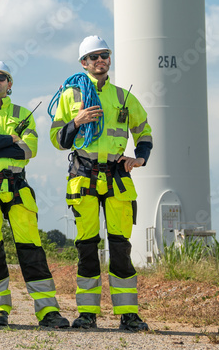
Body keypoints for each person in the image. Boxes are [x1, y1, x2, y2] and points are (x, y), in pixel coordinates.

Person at [49, 36, 152, 332]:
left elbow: (144, 131)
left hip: (117, 177)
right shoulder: (70, 97)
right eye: (93, 57)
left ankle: (129, 314)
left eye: (104, 55)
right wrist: (77, 121)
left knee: (120, 247)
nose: (99, 61)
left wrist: (141, 157)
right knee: (87, 246)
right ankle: (87, 313)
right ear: (83, 63)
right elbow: (58, 140)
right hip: (84, 175)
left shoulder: (124, 97)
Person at [0, 61, 70, 329]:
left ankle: (48, 311)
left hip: (17, 186)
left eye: (2, 77)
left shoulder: (24, 113)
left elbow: (29, 150)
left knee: (32, 249)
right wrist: (12, 139)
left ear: (10, 84)